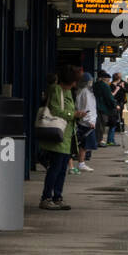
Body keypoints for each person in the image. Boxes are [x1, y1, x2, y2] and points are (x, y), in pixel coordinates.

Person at [38, 66, 77, 210]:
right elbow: (55, 110)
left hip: (66, 136)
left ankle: (57, 197)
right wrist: (73, 115)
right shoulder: (56, 90)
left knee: (61, 169)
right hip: (57, 135)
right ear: (71, 81)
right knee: (55, 168)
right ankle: (46, 198)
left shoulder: (67, 92)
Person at [73, 72, 98, 173]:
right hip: (87, 122)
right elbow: (88, 108)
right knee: (84, 145)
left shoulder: (81, 91)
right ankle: (81, 164)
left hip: (84, 121)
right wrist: (90, 121)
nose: (91, 83)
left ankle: (81, 163)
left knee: (83, 145)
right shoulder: (86, 93)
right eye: (90, 81)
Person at [93, 71, 118, 146]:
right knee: (101, 126)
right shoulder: (105, 86)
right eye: (108, 80)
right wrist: (115, 105)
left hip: (96, 107)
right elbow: (109, 97)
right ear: (105, 79)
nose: (109, 81)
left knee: (97, 125)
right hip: (102, 109)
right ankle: (99, 141)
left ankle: (97, 140)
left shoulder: (96, 84)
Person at [111, 72, 128, 137]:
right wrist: (117, 89)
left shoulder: (122, 84)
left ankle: (118, 127)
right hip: (115, 103)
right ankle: (116, 128)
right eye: (120, 77)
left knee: (119, 116)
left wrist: (123, 87)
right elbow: (111, 95)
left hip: (120, 102)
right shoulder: (111, 85)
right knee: (115, 118)